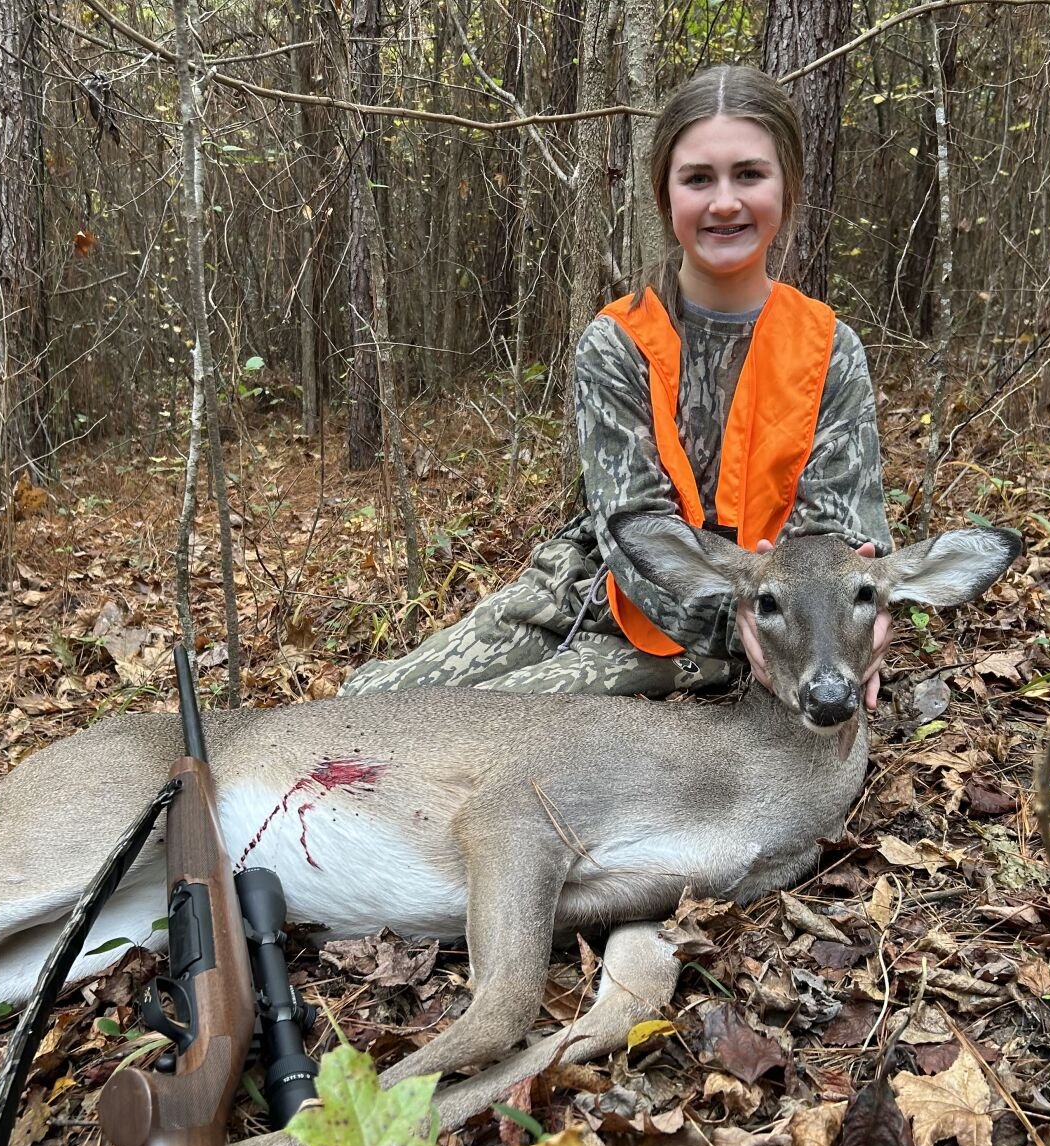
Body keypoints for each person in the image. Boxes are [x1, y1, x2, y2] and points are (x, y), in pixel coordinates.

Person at [342, 63, 892, 704]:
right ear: (665, 195)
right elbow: (630, 526)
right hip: (593, 590)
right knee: (369, 704)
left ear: (787, 186)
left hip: (754, 634)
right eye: (697, 179)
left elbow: (844, 538)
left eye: (749, 174)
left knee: (501, 725)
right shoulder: (620, 340)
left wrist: (831, 632)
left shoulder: (830, 350)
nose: (723, 201)